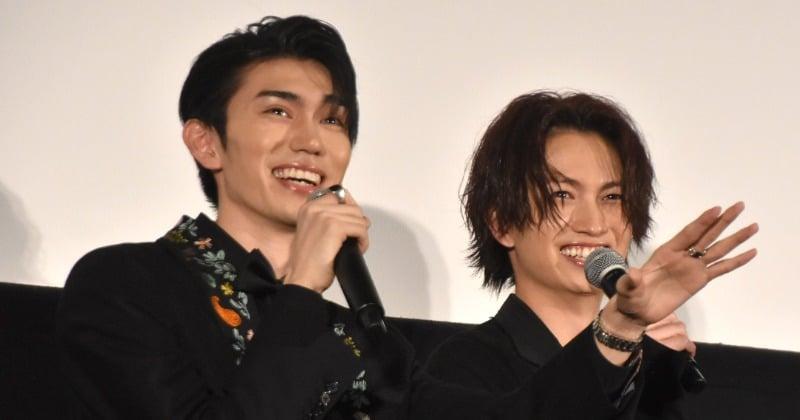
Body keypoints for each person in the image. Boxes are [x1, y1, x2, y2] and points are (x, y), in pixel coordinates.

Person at [56, 16, 412, 419]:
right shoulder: (123, 285)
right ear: (206, 143)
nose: (311, 142)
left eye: (332, 120)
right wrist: (303, 287)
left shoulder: (367, 341)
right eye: (278, 111)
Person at [419, 91, 759, 418]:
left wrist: (650, 372)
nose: (594, 224)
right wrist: (615, 336)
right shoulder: (461, 368)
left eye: (612, 197)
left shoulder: (652, 371)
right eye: (561, 195)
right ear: (502, 223)